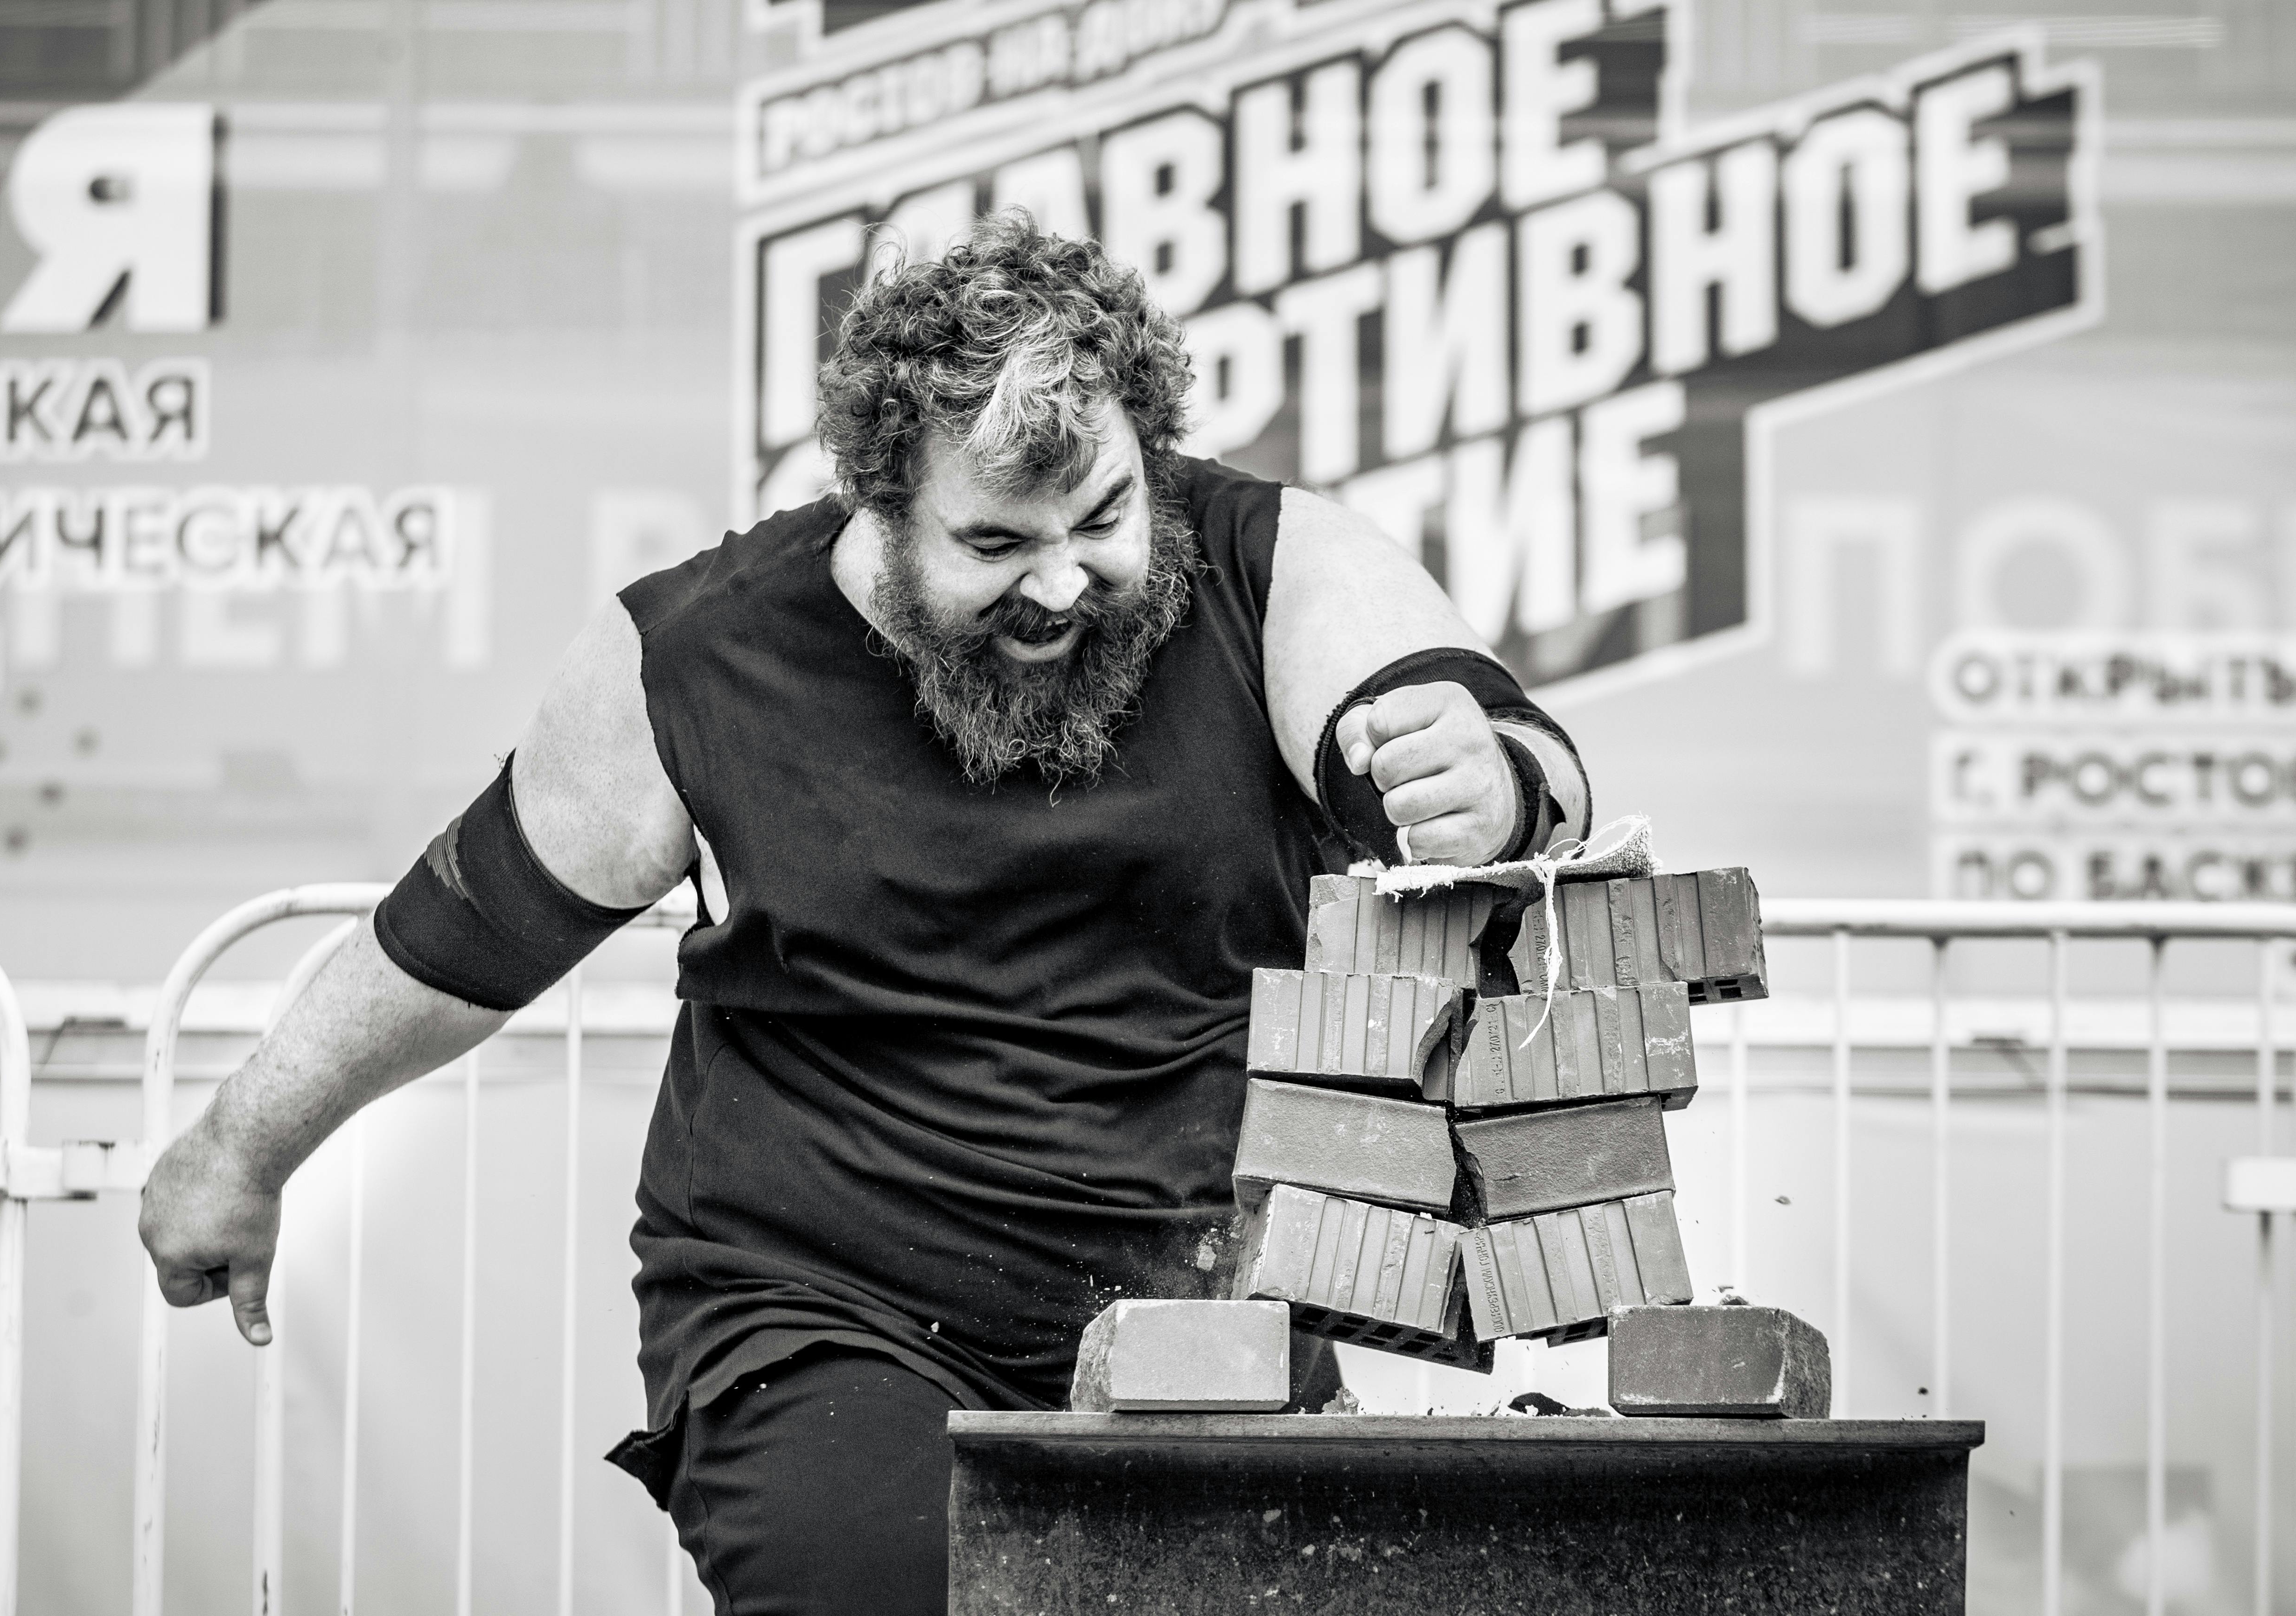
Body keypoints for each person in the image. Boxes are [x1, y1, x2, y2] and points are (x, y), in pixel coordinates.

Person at [139, 214, 1591, 1616]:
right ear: (882, 508)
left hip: (1203, 1304)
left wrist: (1490, 784)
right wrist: (240, 1147)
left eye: (1102, 514)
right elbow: (466, 935)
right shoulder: (699, 658)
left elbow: (1505, 747)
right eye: (997, 541)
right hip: (820, 1306)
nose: (1065, 578)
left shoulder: (1274, 564)